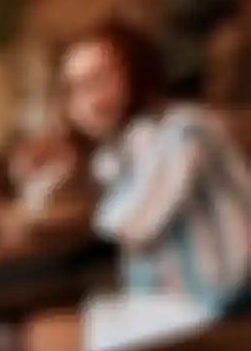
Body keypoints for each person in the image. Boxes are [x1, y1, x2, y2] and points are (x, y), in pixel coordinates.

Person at [61, 20, 251, 314]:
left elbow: (134, 221)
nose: (87, 101)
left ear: (137, 73)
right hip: (172, 308)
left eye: (98, 80)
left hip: (225, 306)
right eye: (75, 88)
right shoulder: (121, 148)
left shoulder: (185, 130)